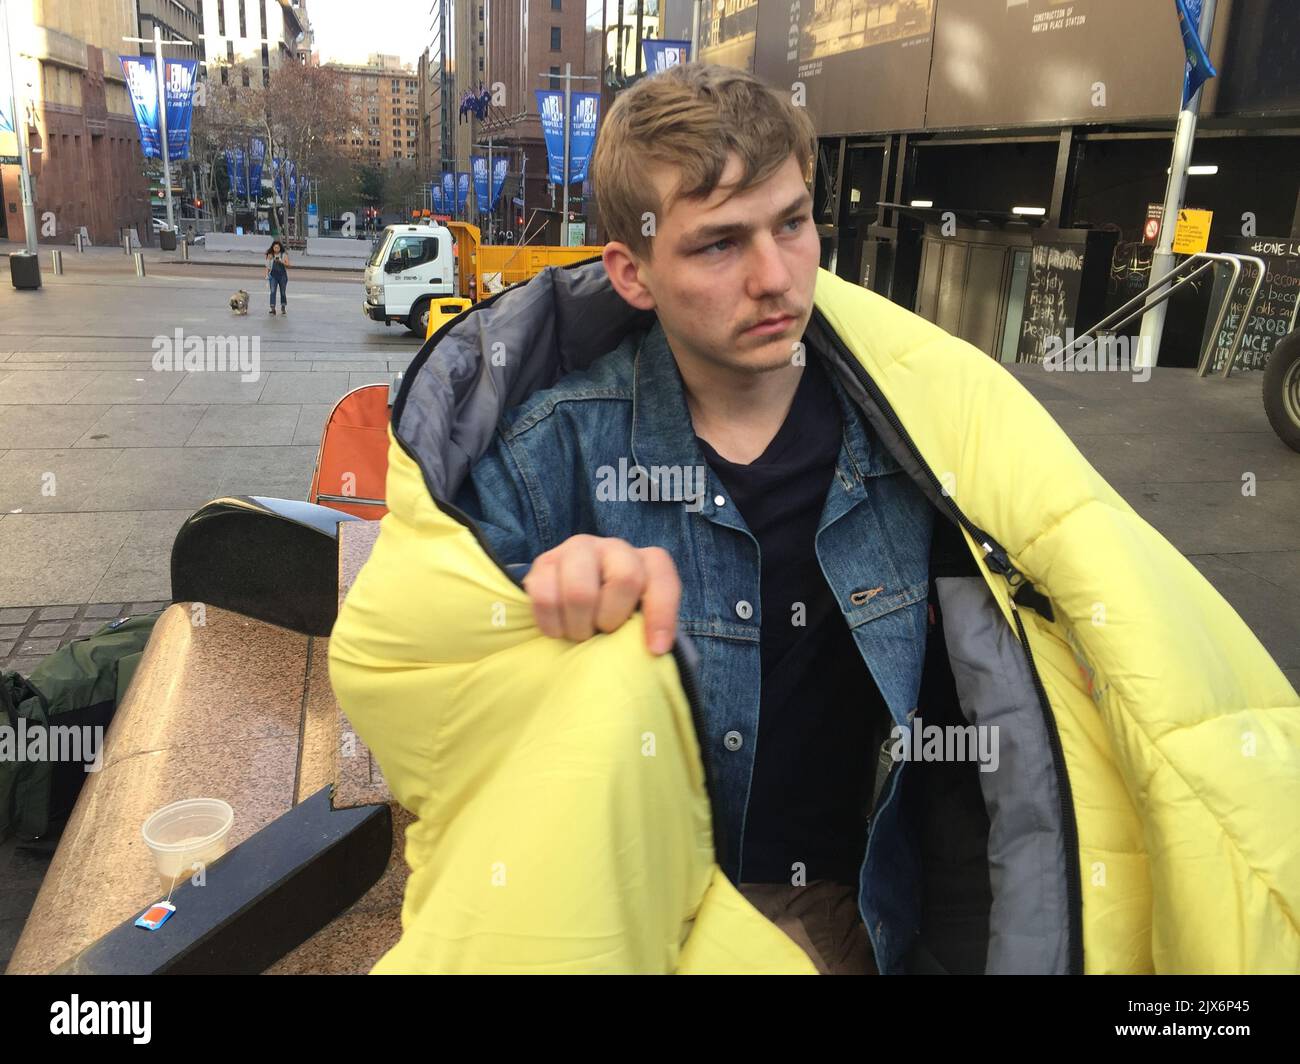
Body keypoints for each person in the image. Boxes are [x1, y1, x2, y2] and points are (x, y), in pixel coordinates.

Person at [329, 63, 1300, 975]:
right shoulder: (548, 450)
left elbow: (1081, 599)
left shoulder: (911, 431)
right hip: (626, 901)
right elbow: (418, 687)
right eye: (718, 242)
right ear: (631, 273)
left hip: (855, 913)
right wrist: (534, 612)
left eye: (791, 224)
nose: (775, 275)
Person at [265, 239, 289, 314]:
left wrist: (281, 261)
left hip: (282, 276)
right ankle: (272, 308)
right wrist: (266, 275)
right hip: (273, 276)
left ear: (280, 247)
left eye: (277, 247)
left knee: (283, 292)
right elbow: (267, 266)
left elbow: (288, 265)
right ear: (272, 247)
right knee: (272, 291)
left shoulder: (284, 254)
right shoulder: (270, 255)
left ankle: (283, 307)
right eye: (275, 247)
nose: (276, 249)